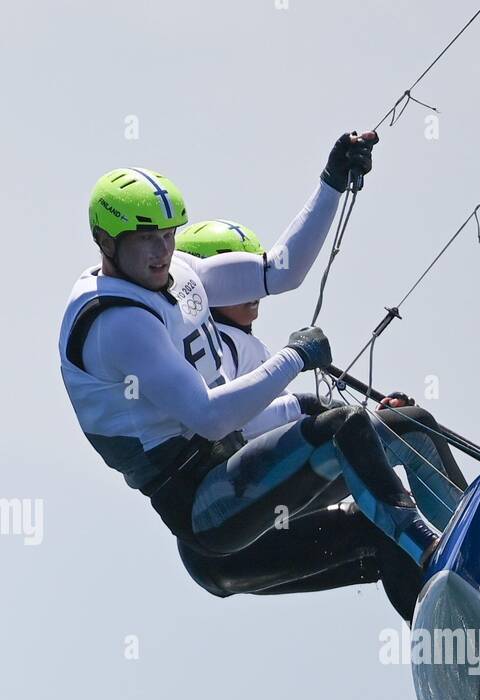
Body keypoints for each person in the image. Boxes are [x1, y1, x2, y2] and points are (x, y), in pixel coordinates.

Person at [58, 142, 451, 619]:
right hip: (207, 510)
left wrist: (331, 181)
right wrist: (293, 357)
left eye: (168, 234)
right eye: (146, 239)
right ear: (106, 242)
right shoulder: (116, 324)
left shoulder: (179, 271)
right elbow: (210, 418)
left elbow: (280, 271)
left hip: (243, 467)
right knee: (344, 429)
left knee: (410, 428)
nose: (163, 251)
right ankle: (435, 551)